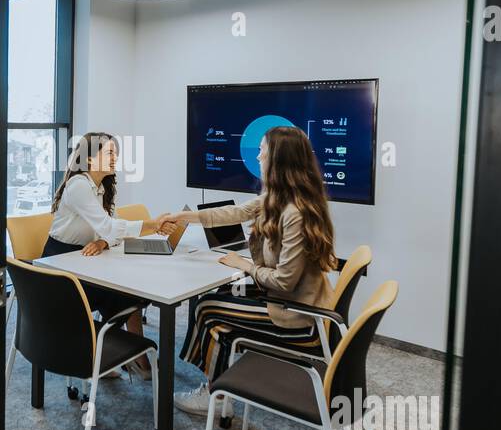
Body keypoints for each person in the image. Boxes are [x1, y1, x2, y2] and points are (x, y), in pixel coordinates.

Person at [157, 126, 337, 414]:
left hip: (296, 315)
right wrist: (184, 217)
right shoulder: (282, 198)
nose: (257, 157)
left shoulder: (294, 212)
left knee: (208, 308)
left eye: (262, 152)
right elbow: (234, 213)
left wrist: (246, 265)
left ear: (277, 161)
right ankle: (222, 376)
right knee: (225, 291)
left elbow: (284, 281)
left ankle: (215, 396)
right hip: (297, 301)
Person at [43, 133, 167, 370]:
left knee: (130, 291)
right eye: (110, 153)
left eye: (116, 153)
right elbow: (109, 227)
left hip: (85, 257)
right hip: (60, 262)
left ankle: (129, 355)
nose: (115, 158)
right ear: (89, 159)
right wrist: (152, 225)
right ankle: (125, 356)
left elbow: (110, 231)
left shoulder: (102, 187)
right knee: (125, 292)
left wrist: (103, 243)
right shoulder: (78, 185)